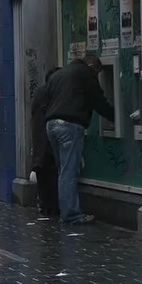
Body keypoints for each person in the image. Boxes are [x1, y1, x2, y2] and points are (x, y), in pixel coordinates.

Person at [45, 54, 115, 225]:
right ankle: (71, 215)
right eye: (98, 73)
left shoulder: (58, 75)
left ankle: (66, 211)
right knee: (69, 172)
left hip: (51, 125)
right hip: (69, 125)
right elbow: (98, 101)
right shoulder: (85, 73)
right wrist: (117, 118)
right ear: (92, 65)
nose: (97, 77)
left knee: (63, 171)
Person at [30, 67, 62, 217]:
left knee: (44, 174)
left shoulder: (40, 93)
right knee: (52, 174)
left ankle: (45, 205)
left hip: (40, 142)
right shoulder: (51, 94)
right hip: (48, 141)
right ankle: (52, 206)